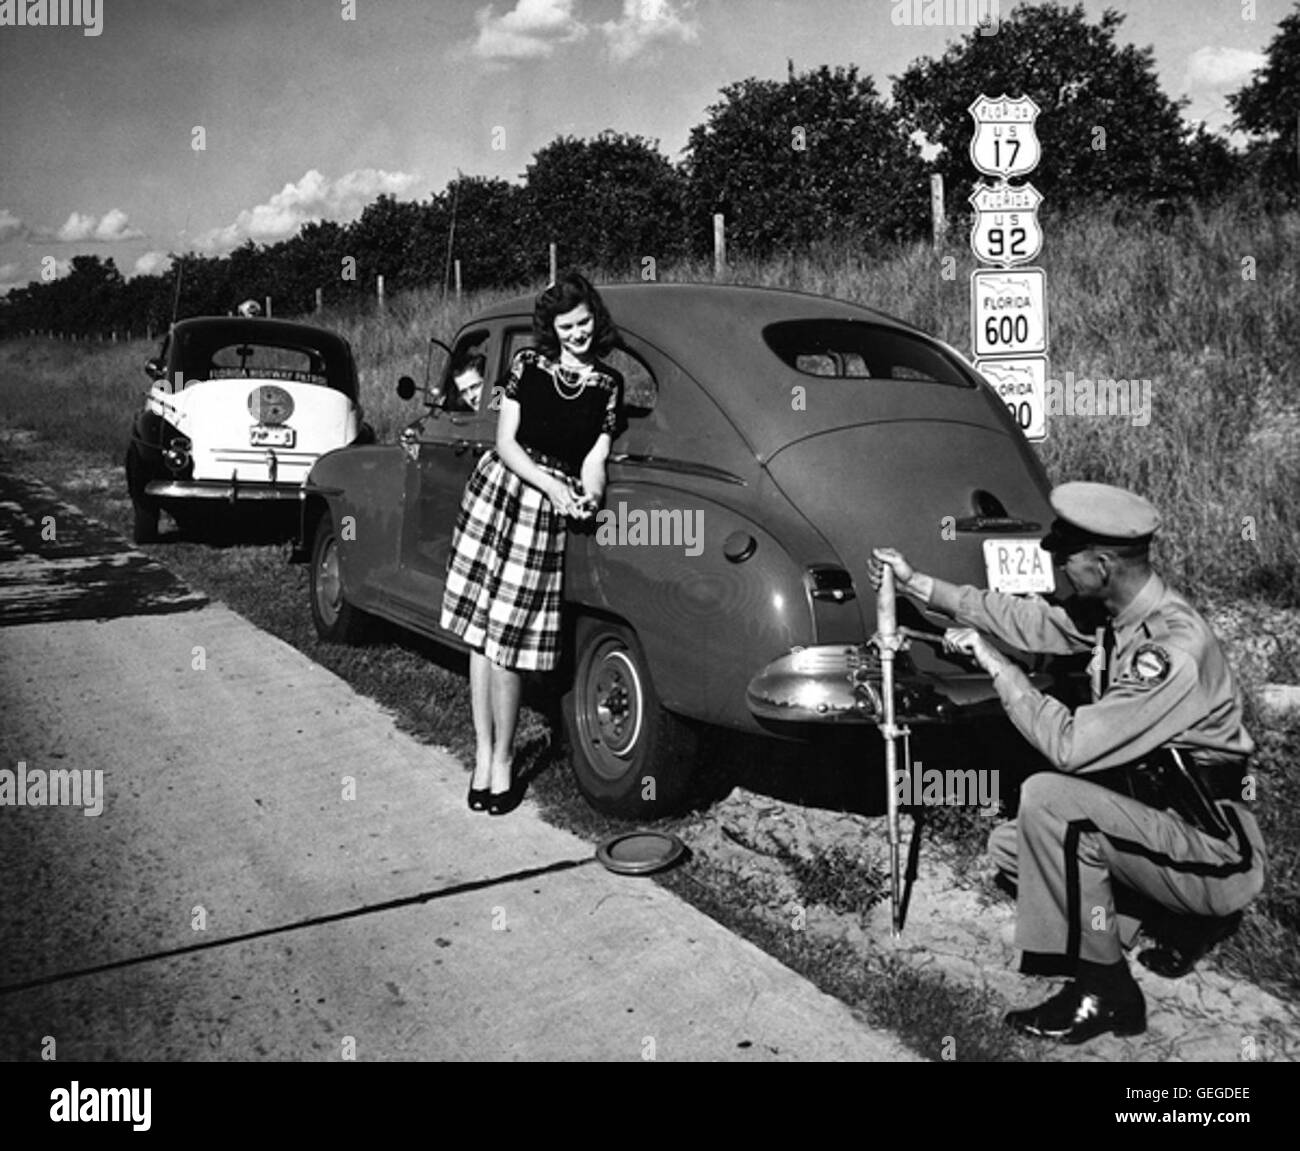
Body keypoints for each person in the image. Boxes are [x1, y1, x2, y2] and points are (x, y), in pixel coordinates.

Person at [868, 481, 1265, 1044]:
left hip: (1213, 847)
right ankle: (1163, 918)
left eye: (1066, 557)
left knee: (1049, 801)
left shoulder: (1170, 650)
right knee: (1013, 848)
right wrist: (920, 585)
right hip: (1162, 820)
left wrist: (997, 667)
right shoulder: (1119, 613)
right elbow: (1031, 621)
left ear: (1102, 565)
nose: (1056, 565)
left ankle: (1105, 992)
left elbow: (1070, 748)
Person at [440, 272, 624, 815]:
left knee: (510, 643)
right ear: (552, 329)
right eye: (566, 326)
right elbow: (505, 442)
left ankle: (504, 760)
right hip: (501, 493)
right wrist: (552, 487)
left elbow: (596, 455)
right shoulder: (527, 367)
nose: (577, 334)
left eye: (585, 322)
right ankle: (483, 754)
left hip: (544, 515)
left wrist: (588, 495)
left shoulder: (607, 385)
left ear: (596, 318)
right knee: (481, 636)